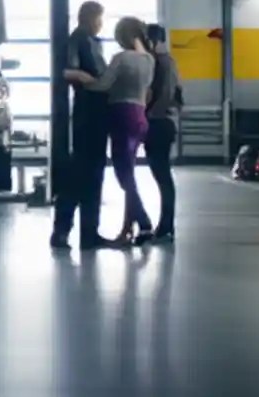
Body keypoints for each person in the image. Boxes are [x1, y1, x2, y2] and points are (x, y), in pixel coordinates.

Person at [68, 17, 155, 246]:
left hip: (121, 116)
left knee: (124, 176)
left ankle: (144, 222)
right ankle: (128, 227)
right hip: (139, 116)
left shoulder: (121, 58)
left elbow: (102, 85)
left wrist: (79, 77)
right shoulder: (149, 60)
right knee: (129, 175)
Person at [50, 1, 115, 251]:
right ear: (90, 18)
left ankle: (86, 232)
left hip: (93, 111)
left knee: (90, 173)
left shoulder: (89, 40)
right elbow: (70, 71)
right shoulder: (80, 39)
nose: (101, 23)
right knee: (83, 172)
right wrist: (92, 80)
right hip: (89, 112)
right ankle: (70, 231)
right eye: (99, 18)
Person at [144, 23, 181, 242]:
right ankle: (165, 225)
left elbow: (165, 93)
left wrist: (149, 115)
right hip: (162, 122)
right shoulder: (167, 61)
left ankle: (166, 225)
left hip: (158, 123)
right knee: (162, 176)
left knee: (162, 176)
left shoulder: (161, 62)